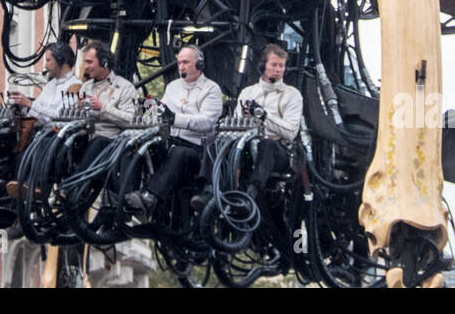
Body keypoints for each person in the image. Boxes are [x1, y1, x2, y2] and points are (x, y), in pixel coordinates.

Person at [125, 45, 222, 216]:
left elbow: (208, 122)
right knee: (138, 146)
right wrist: (148, 115)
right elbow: (161, 112)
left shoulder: (211, 89)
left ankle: (150, 197)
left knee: (179, 153)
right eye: (179, 63)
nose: (181, 67)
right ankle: (128, 196)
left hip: (195, 149)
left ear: (199, 65)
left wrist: (175, 119)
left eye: (186, 62)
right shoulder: (173, 87)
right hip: (169, 142)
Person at [235, 44, 302, 201]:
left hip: (279, 151)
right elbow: (237, 124)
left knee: (268, 145)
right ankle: (209, 191)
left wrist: (264, 116)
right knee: (217, 143)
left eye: (281, 65)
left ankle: (252, 192)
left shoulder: (293, 95)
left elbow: (291, 132)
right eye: (274, 65)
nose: (278, 69)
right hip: (248, 146)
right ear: (262, 66)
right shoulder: (248, 93)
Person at [73, 40, 138, 170]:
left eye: (89, 62)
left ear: (104, 63)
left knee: (98, 142)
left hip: (111, 143)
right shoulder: (86, 87)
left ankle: (73, 188)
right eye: (85, 62)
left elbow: (132, 120)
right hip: (85, 138)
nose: (85, 66)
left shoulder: (125, 87)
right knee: (57, 138)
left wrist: (103, 108)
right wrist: (78, 109)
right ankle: (37, 184)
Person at [7, 40, 78, 125]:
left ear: (61, 61)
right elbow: (39, 115)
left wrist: (30, 104)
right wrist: (23, 106)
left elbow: (61, 117)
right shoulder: (50, 84)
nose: (45, 66)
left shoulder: (76, 86)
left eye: (48, 60)